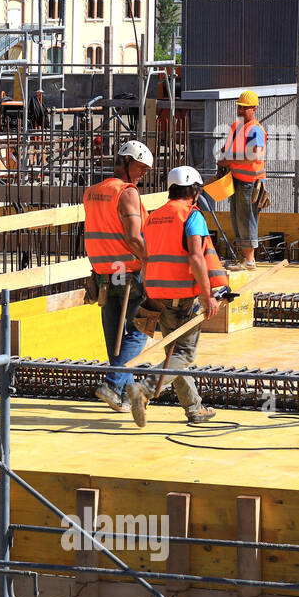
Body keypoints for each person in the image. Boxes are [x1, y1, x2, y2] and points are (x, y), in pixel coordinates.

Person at [124, 165, 228, 428]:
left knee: (174, 353)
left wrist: (149, 291)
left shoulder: (155, 217)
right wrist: (208, 296)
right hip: (183, 295)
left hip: (159, 294)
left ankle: (194, 408)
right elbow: (195, 257)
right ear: (193, 190)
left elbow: (147, 256)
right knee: (184, 354)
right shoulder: (192, 216)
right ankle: (144, 390)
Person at [82, 139, 152, 414]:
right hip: (129, 273)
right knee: (140, 330)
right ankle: (112, 384)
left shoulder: (91, 192)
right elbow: (133, 237)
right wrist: (152, 260)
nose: (144, 172)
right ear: (125, 162)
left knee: (115, 341)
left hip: (103, 276)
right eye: (140, 166)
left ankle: (123, 396)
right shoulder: (127, 192)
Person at [217, 89, 266, 270]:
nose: (240, 110)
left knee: (246, 219)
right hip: (236, 179)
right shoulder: (237, 126)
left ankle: (249, 260)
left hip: (249, 183)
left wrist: (228, 159)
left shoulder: (255, 130)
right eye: (239, 107)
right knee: (237, 219)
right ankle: (244, 258)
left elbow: (254, 155)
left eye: (244, 108)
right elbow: (227, 147)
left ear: (254, 109)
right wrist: (224, 156)